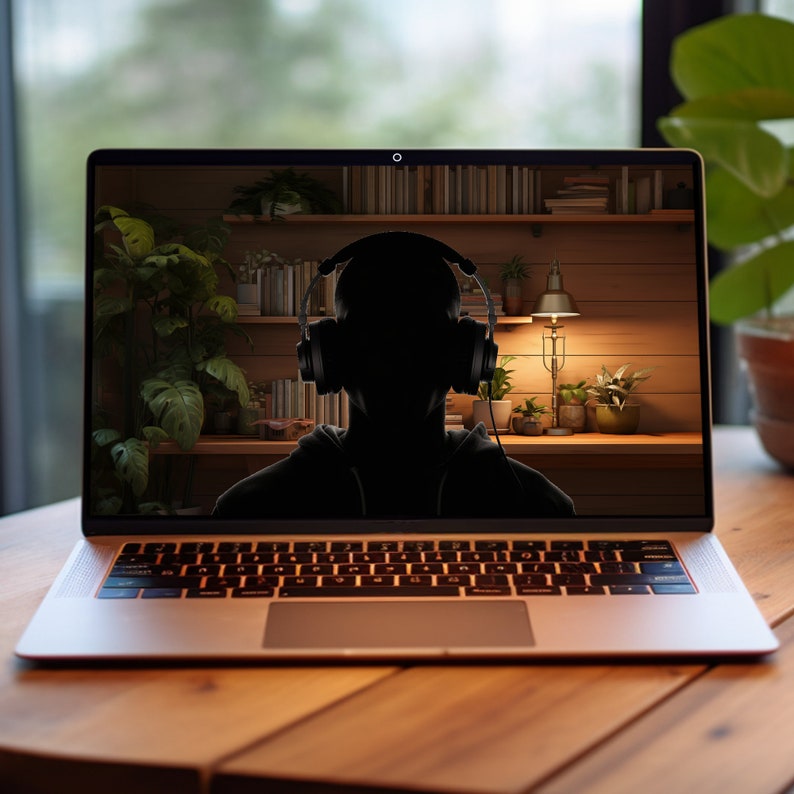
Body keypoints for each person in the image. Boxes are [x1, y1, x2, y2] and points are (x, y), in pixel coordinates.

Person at [213, 231, 574, 520]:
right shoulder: (248, 511)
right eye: (374, 333)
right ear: (329, 357)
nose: (399, 357)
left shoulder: (537, 507)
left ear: (465, 356)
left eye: (422, 334)